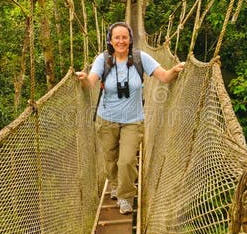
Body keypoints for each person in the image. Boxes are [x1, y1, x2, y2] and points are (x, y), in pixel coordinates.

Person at [75, 21, 185, 214]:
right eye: (116, 37)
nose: (121, 41)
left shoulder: (140, 58)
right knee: (110, 159)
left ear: (130, 39)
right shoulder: (103, 60)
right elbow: (91, 83)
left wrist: (175, 70)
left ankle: (126, 197)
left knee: (126, 161)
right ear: (110, 40)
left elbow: (165, 77)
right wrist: (83, 79)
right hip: (106, 118)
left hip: (133, 120)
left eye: (124, 37)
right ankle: (116, 185)